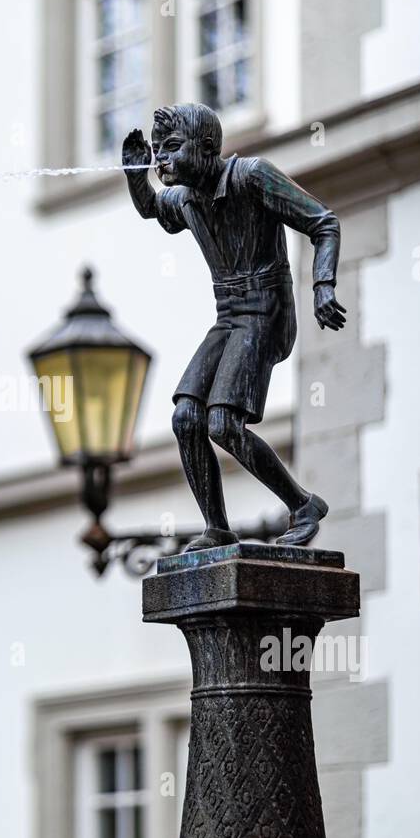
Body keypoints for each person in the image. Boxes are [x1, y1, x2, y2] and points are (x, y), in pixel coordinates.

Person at [123, 102, 347, 549]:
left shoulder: (251, 176)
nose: (161, 159)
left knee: (222, 422)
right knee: (187, 417)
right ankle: (217, 527)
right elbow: (151, 208)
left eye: (170, 148)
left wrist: (322, 285)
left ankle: (302, 505)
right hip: (228, 317)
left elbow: (324, 223)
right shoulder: (187, 198)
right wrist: (135, 174)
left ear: (207, 147)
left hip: (267, 313)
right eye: (156, 151)